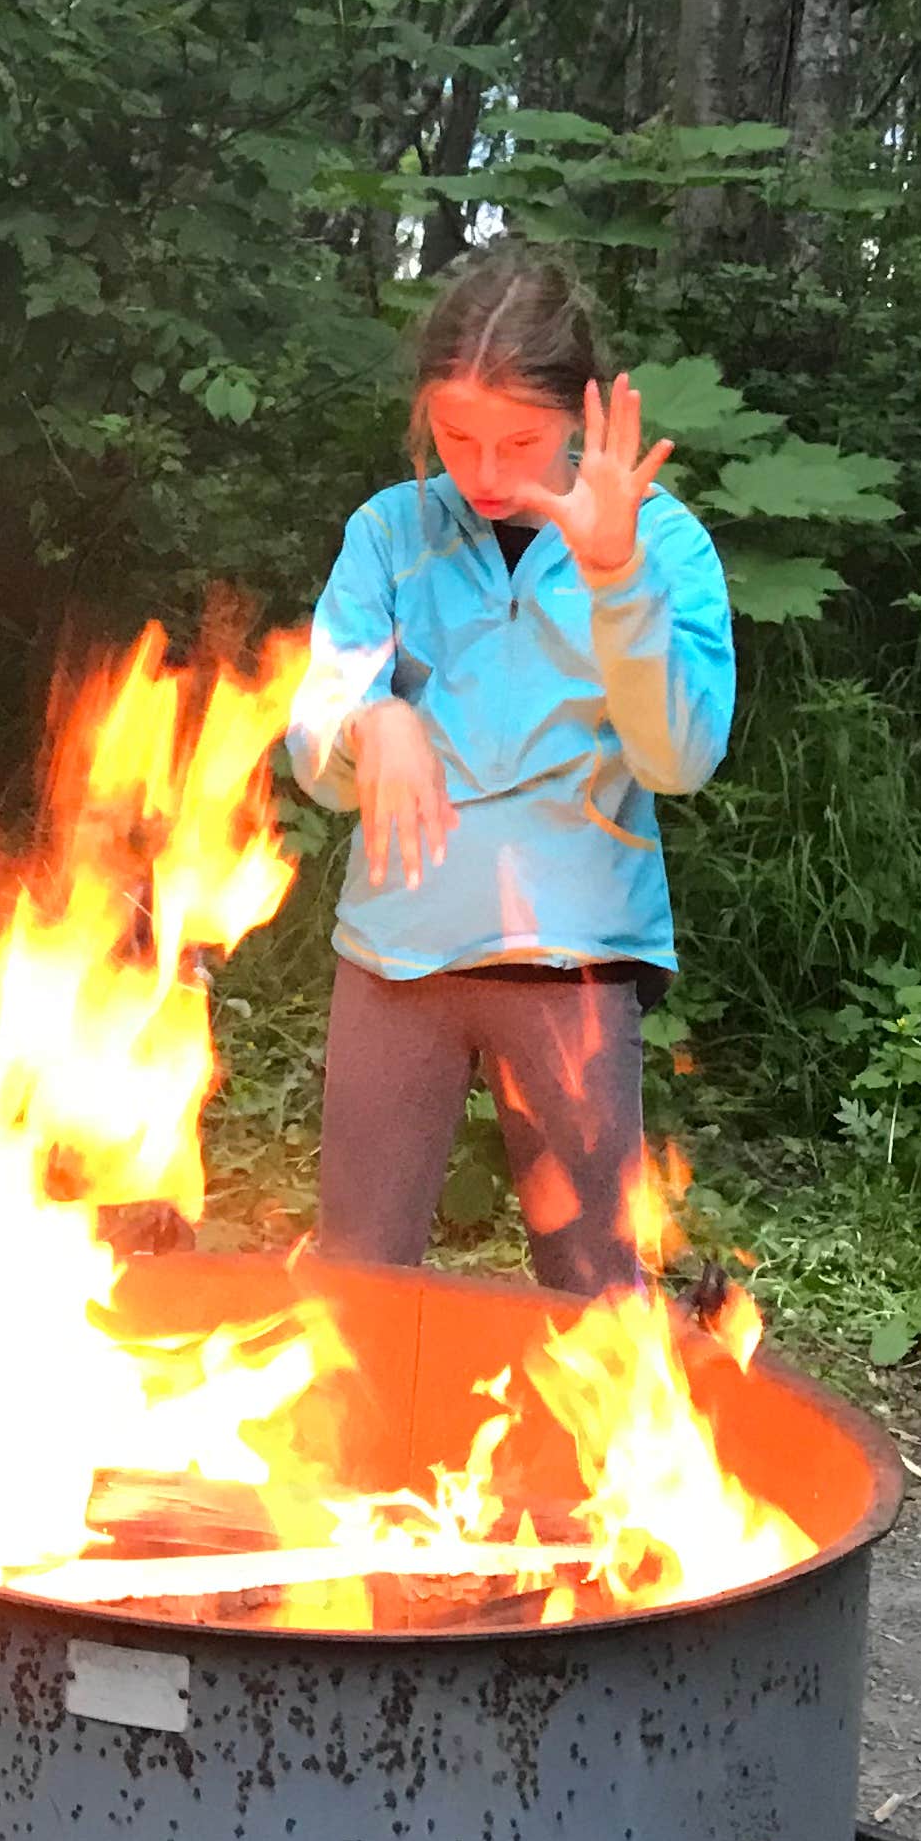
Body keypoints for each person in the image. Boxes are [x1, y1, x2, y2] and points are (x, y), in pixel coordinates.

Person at [285, 245, 734, 1285]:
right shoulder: (391, 535)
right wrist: (375, 722)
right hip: (398, 959)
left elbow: (679, 758)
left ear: (581, 413)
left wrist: (616, 575)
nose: (485, 474)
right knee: (358, 1290)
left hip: (572, 964)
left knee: (594, 1302)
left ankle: (581, 1460)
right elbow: (314, 742)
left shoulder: (661, 542)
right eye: (455, 439)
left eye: (521, 441)